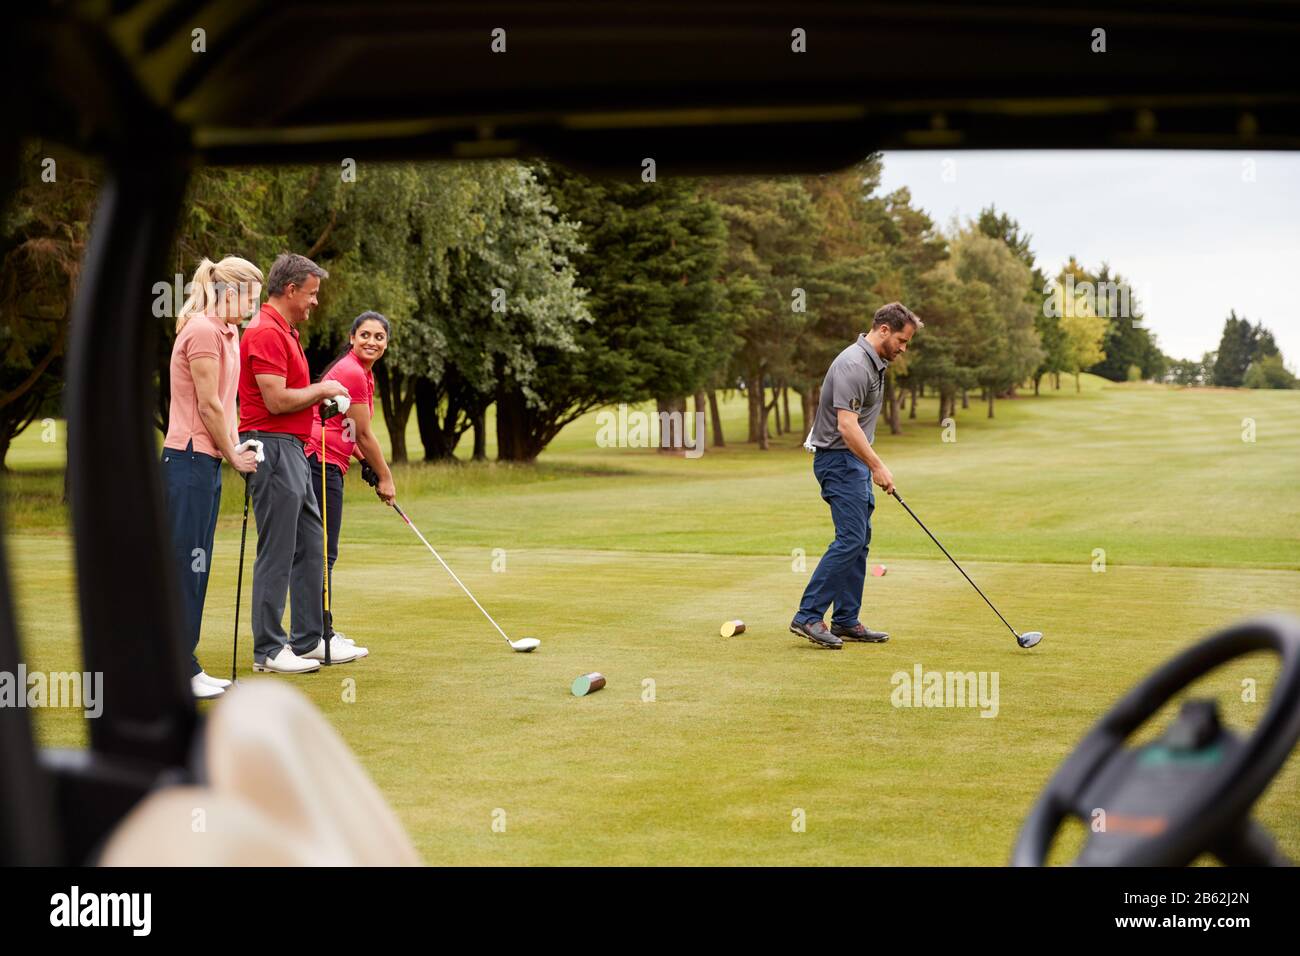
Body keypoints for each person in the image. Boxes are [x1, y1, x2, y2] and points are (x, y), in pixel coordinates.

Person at [238, 253, 356, 674]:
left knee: (310, 542)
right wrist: (323, 388)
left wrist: (318, 397)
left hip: (293, 447)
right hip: (269, 445)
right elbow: (275, 400)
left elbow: (292, 396)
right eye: (311, 294)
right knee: (279, 548)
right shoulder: (266, 331)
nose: (314, 303)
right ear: (290, 290)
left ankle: (308, 640)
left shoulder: (284, 330)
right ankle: (268, 649)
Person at [790, 302, 922, 649]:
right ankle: (807, 616)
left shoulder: (874, 363)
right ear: (883, 330)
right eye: (902, 340)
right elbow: (846, 427)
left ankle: (846, 619)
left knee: (859, 539)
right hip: (838, 461)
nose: (903, 349)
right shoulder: (853, 363)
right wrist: (878, 465)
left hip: (854, 464)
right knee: (849, 538)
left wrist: (870, 464)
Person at [162, 256, 264, 698]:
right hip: (187, 462)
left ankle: (186, 662)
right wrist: (232, 454)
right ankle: (176, 668)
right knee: (185, 567)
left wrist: (237, 445)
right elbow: (208, 407)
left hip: (205, 462)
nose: (252, 309)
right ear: (228, 292)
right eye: (250, 300)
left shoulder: (228, 332)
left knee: (196, 566)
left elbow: (227, 402)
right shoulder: (204, 330)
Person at [304, 311, 397, 656]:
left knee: (321, 550)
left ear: (386, 343)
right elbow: (364, 433)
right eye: (365, 335)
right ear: (352, 337)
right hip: (320, 461)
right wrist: (385, 476)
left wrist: (361, 459)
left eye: (379, 337)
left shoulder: (362, 374)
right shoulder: (353, 371)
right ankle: (317, 635)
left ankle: (318, 631)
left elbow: (347, 429)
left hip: (328, 460)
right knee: (323, 551)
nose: (372, 341)